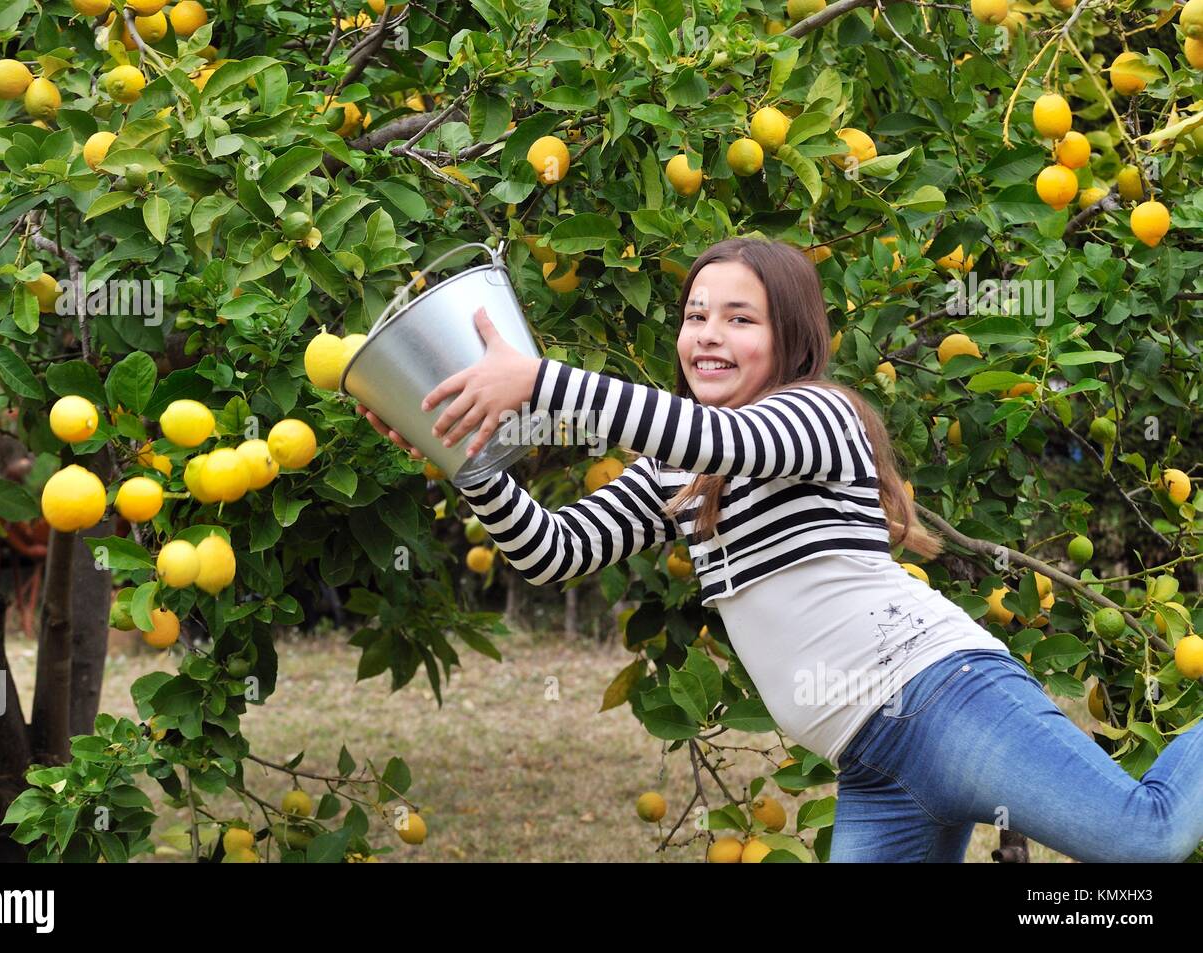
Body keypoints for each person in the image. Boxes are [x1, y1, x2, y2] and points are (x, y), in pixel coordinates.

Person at [357, 236, 1203, 863]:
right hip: (871, 761)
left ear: (790, 337)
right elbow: (555, 550)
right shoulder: (679, 469)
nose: (708, 335)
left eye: (739, 318)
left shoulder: (816, 417)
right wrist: (468, 460)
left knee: (1146, 838)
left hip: (945, 699)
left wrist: (541, 383)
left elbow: (710, 434)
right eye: (695, 317)